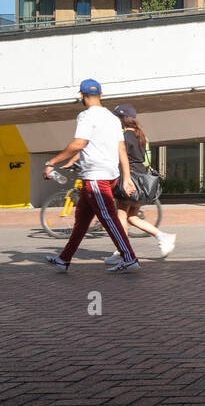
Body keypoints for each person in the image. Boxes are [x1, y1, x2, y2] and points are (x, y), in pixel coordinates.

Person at [42, 78, 140, 273]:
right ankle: (64, 259)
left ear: (81, 95)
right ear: (101, 94)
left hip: (96, 177)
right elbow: (121, 149)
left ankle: (130, 258)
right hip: (109, 176)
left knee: (108, 218)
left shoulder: (85, 116)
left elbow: (79, 143)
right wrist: (127, 177)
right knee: (82, 220)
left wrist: (52, 162)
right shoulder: (113, 118)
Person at [100, 104, 176, 264]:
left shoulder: (124, 136)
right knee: (132, 217)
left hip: (130, 178)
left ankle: (122, 251)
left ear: (122, 118)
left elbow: (119, 157)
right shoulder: (140, 134)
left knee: (121, 214)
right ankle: (162, 237)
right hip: (141, 178)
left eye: (116, 117)